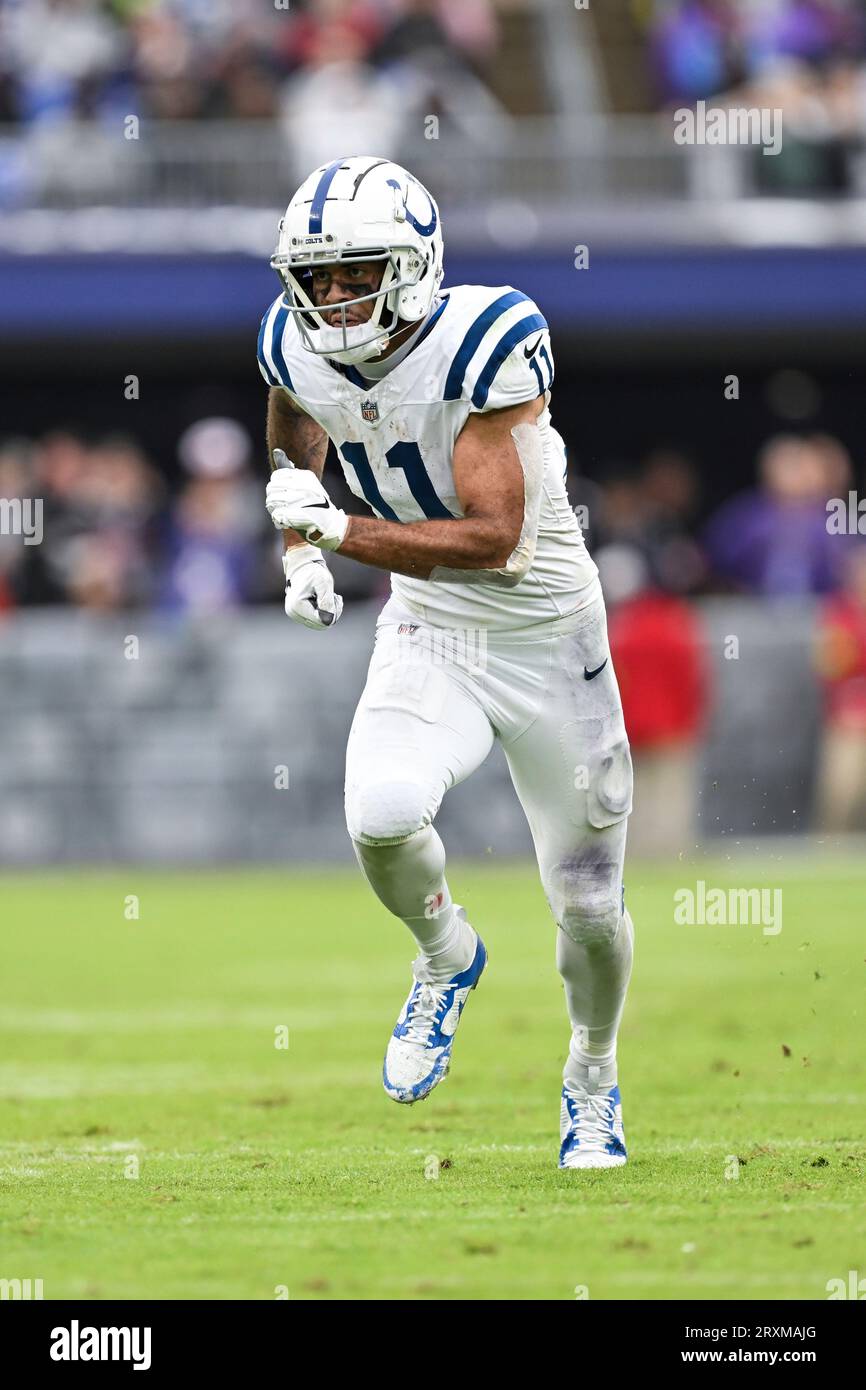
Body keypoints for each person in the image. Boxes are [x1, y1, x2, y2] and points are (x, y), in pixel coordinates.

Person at [256, 157, 634, 1169]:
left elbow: (496, 538)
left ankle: (591, 1078)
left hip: (546, 635)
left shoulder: (485, 340)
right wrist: (298, 553)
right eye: (317, 276)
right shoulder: (289, 341)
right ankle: (445, 956)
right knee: (380, 813)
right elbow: (294, 433)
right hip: (431, 626)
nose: (334, 297)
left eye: (358, 273)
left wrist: (337, 532)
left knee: (589, 904)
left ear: (414, 266)